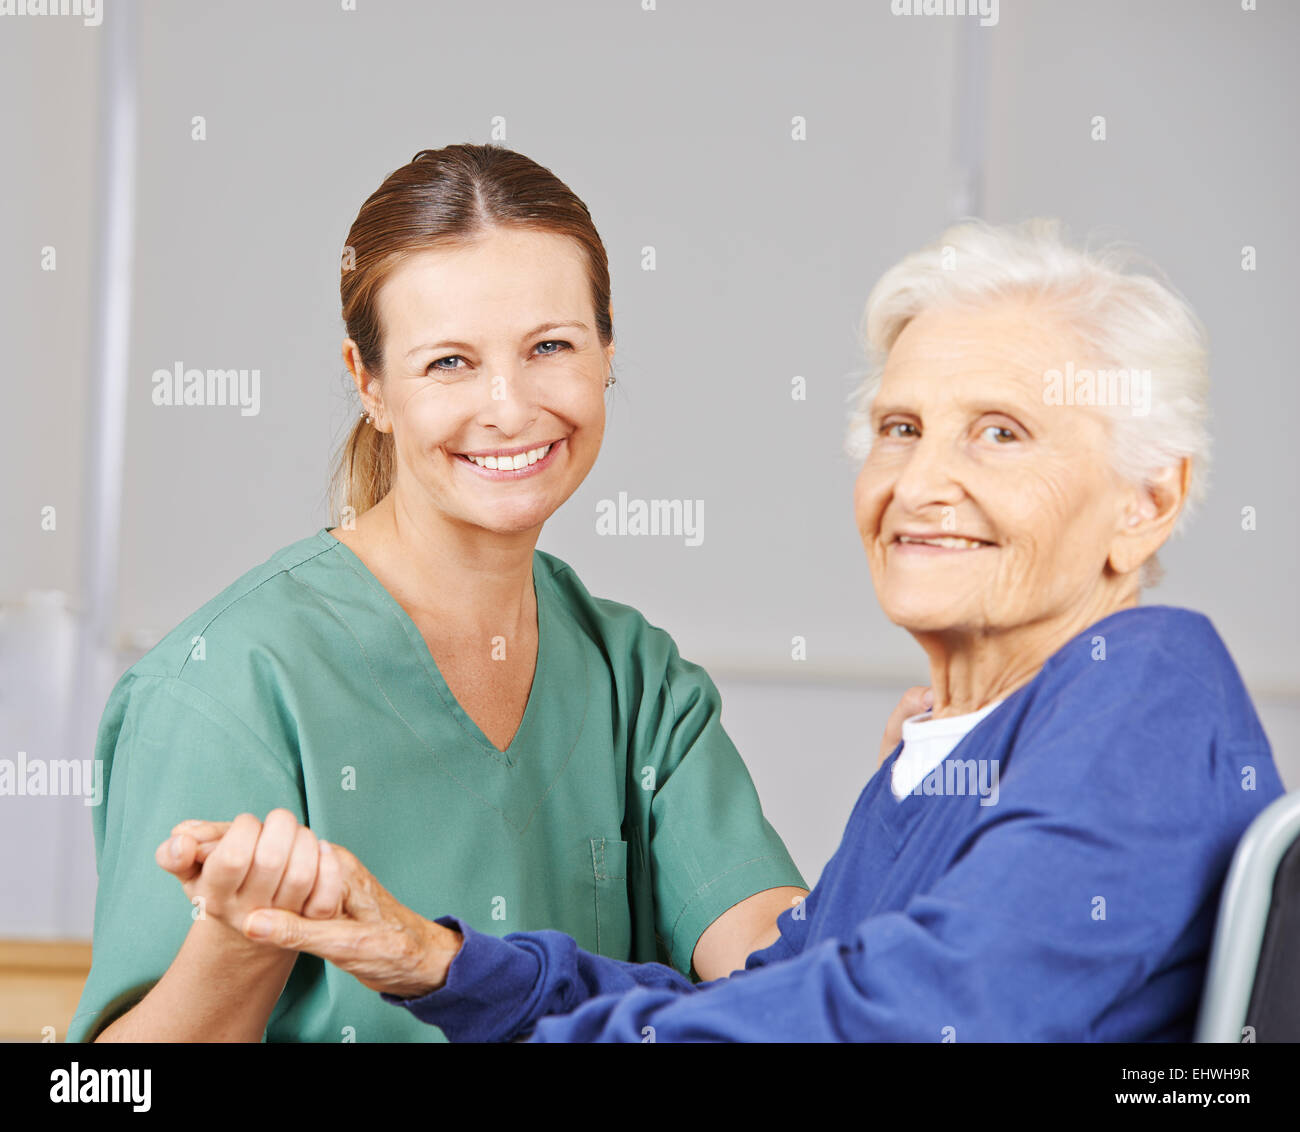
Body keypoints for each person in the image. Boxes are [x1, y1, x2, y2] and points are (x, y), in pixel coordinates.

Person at [177, 218, 1287, 1041]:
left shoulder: (1143, 682)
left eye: (999, 432)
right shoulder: (952, 747)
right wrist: (437, 960)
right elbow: (759, 997)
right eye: (900, 428)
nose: (922, 481)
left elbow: (917, 1019)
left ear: (1146, 502)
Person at [70, 143, 829, 1043]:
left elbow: (792, 993)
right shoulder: (226, 683)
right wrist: (241, 944)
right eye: (449, 364)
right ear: (370, 385)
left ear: (608, 351)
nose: (508, 407)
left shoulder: (636, 679)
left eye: (550, 346)